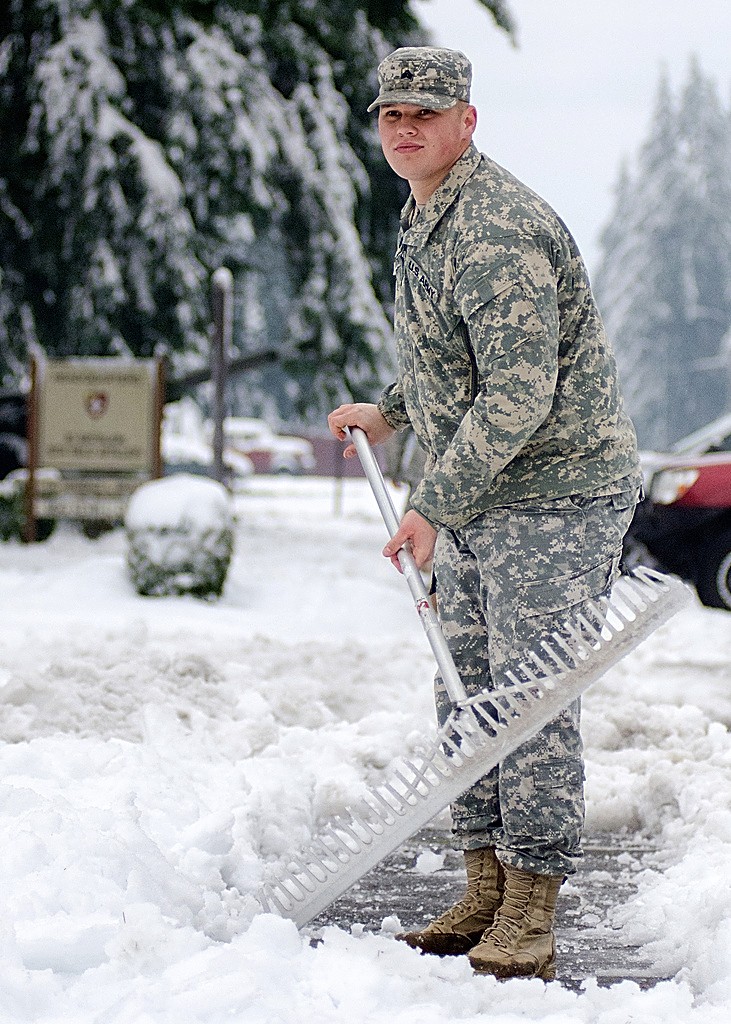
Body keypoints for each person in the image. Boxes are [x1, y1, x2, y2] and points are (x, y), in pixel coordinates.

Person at [327, 46, 641, 982]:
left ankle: (532, 911)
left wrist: (429, 501)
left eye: (426, 112)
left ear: (467, 120)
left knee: (528, 700)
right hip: (479, 489)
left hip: (555, 490)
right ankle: (484, 883)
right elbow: (442, 360)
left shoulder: (496, 227)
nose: (406, 128)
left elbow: (514, 392)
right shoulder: (425, 212)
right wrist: (391, 409)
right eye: (391, 115)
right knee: (461, 684)